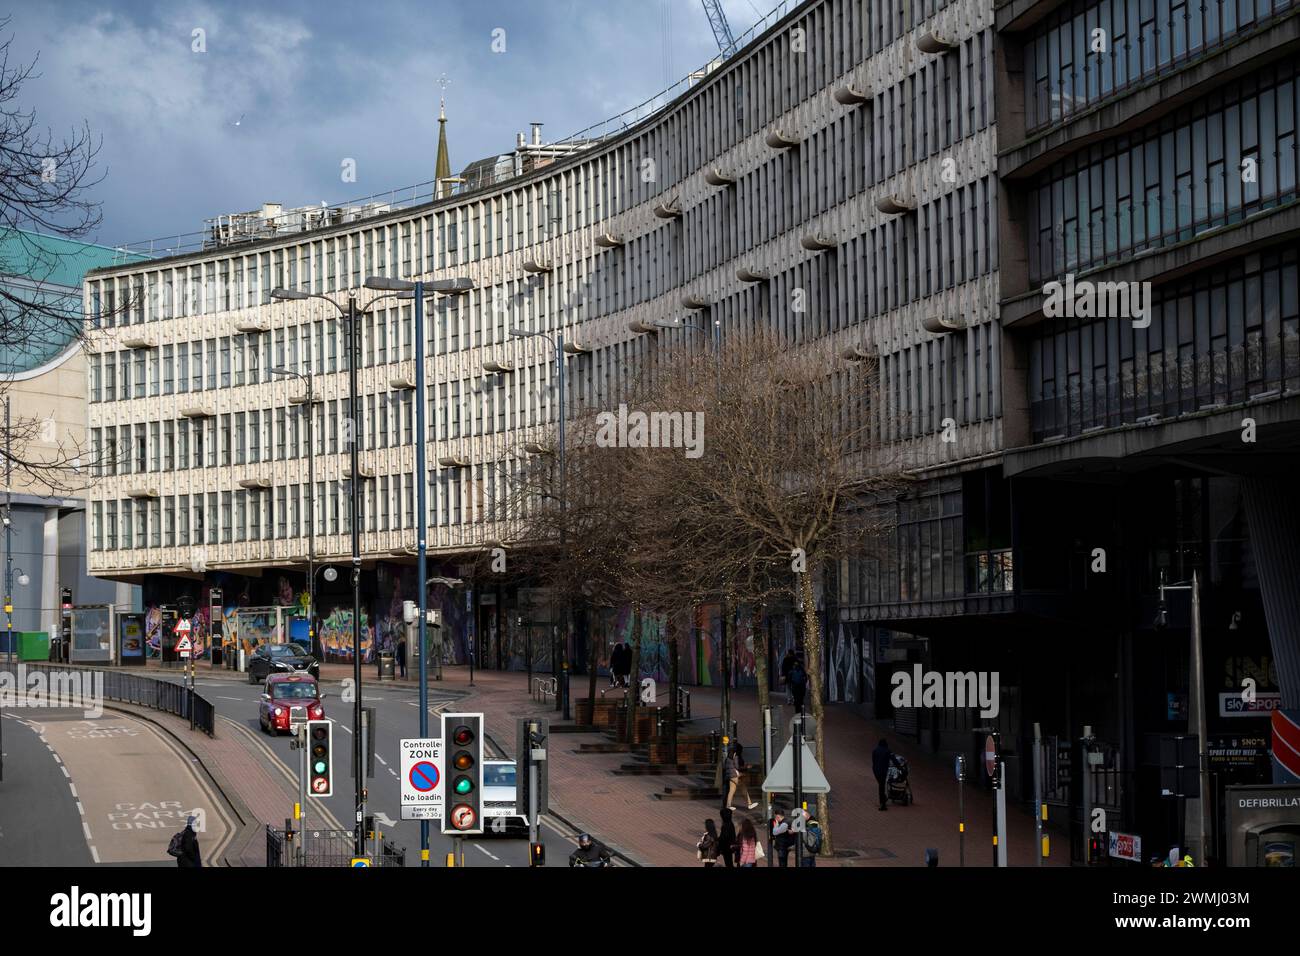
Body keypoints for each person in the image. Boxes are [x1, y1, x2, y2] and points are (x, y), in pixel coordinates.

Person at [724, 743, 758, 811]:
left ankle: (728, 806)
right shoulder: (736, 755)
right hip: (734, 775)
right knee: (743, 787)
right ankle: (749, 804)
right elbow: (737, 767)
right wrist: (746, 767)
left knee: (731, 790)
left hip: (730, 775)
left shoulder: (729, 754)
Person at [872, 738, 892, 811]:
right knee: (881, 787)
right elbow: (893, 759)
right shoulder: (887, 750)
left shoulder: (875, 750)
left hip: (876, 771)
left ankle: (883, 799)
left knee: (881, 785)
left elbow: (873, 761)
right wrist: (900, 766)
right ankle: (882, 804)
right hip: (883, 771)